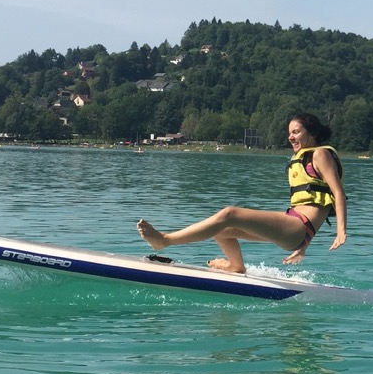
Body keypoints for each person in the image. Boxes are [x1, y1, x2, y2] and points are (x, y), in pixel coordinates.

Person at [137, 112, 347, 273]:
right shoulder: (303, 157)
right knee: (221, 229)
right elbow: (316, 206)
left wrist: (341, 231)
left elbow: (337, 193)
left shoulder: (320, 154)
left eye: (296, 132)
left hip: (298, 227)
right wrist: (303, 246)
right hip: (295, 228)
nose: (290, 137)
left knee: (230, 214)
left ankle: (164, 240)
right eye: (289, 132)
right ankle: (236, 266)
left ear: (312, 134)